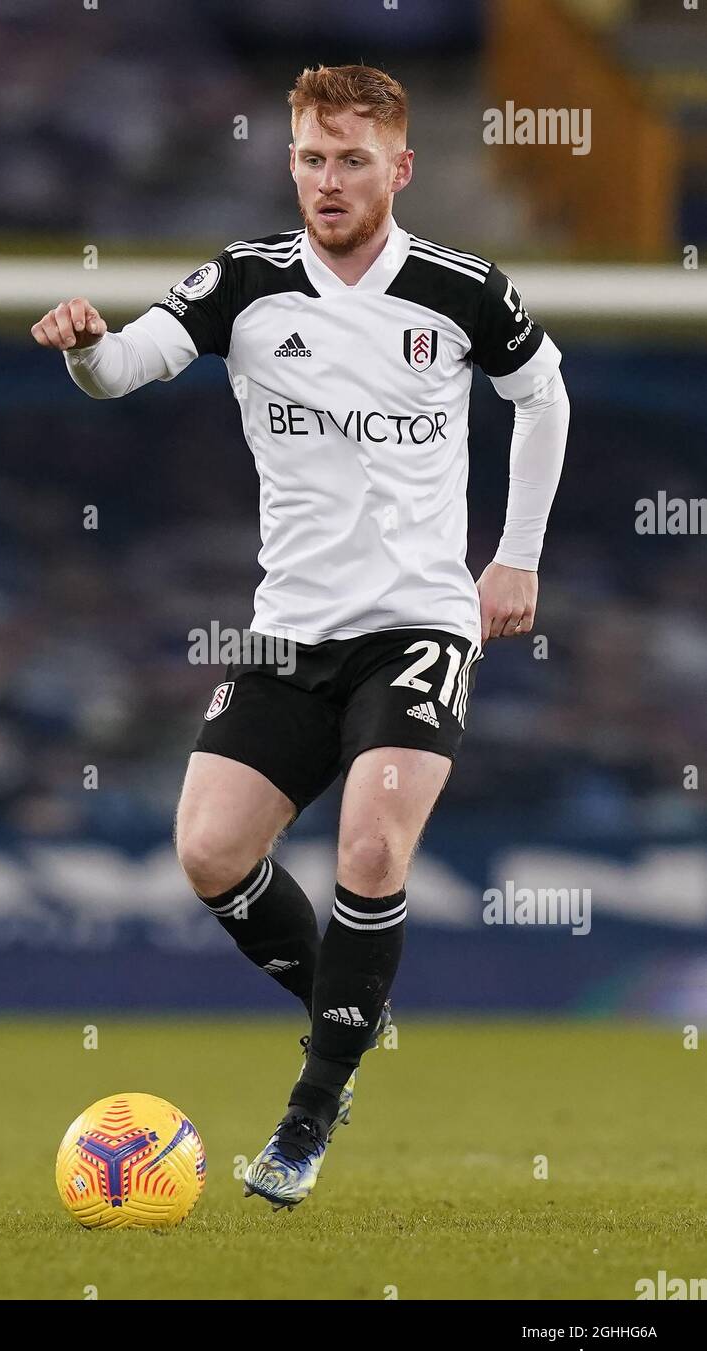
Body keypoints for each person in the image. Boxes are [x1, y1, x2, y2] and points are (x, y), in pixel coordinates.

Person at [31, 63, 570, 1211]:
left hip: (420, 620)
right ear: (291, 163)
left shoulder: (460, 289)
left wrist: (514, 553)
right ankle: (350, 1012)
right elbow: (128, 365)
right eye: (313, 160)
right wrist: (85, 344)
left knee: (370, 855)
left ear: (400, 168)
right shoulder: (246, 283)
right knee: (210, 852)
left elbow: (545, 394)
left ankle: (308, 1114)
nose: (330, 182)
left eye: (354, 161)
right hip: (290, 629)